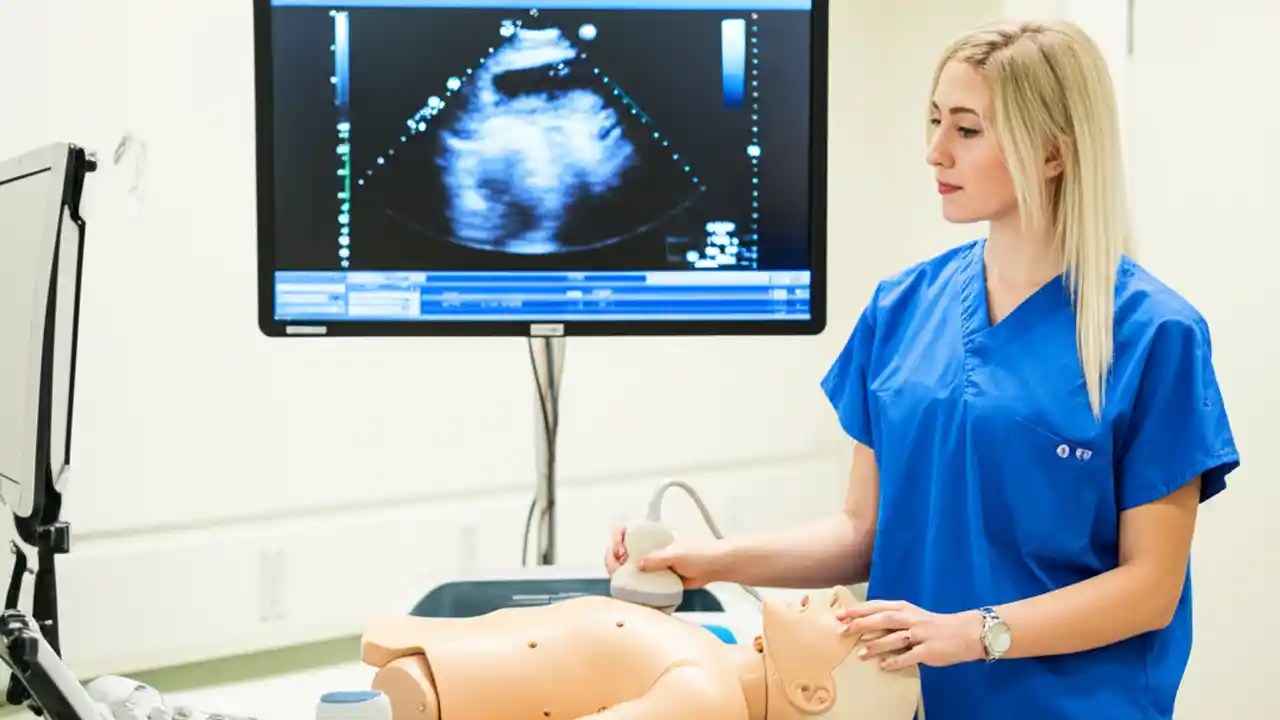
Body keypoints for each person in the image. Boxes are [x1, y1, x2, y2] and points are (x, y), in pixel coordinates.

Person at [606, 19, 1239, 720]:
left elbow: (1149, 589)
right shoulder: (902, 307)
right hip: (906, 701)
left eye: (967, 129)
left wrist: (973, 633)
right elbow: (862, 533)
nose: (935, 151)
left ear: (1053, 152)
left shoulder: (1154, 335)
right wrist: (713, 558)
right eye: (935, 121)